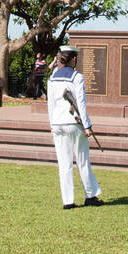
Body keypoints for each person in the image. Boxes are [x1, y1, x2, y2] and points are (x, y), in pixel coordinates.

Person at [45, 46, 102, 209]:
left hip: (57, 123)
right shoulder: (77, 77)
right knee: (82, 160)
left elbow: (50, 104)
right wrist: (87, 125)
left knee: (64, 164)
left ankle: (68, 201)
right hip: (73, 122)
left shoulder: (52, 78)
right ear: (74, 59)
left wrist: (51, 124)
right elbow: (81, 104)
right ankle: (90, 195)